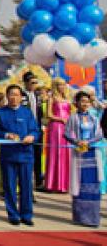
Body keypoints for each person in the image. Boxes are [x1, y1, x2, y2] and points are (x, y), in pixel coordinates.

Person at [0, 84, 41, 226]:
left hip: (26, 154)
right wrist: (6, 135)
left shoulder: (27, 113)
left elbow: (35, 130)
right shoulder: (0, 113)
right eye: (11, 94)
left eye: (16, 95)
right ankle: (13, 214)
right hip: (8, 155)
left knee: (26, 186)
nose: (14, 97)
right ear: (7, 96)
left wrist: (32, 136)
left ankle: (26, 214)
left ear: (21, 97)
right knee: (10, 187)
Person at [65, 90, 103, 227]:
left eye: (87, 101)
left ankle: (93, 218)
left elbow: (99, 134)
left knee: (93, 185)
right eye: (82, 101)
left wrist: (89, 142)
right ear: (77, 103)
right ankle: (80, 217)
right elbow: (66, 133)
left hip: (92, 153)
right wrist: (77, 141)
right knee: (79, 184)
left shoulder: (94, 118)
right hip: (79, 154)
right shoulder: (73, 118)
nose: (85, 104)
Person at [45, 78, 72, 193]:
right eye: (60, 85)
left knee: (66, 153)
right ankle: (53, 183)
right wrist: (61, 119)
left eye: (63, 84)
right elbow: (48, 114)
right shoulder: (51, 98)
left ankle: (65, 184)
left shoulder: (67, 98)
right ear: (55, 86)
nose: (62, 87)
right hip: (56, 127)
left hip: (67, 127)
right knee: (56, 153)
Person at [23, 74, 44, 189]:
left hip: (37, 129)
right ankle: (27, 181)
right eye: (32, 83)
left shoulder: (37, 95)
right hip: (27, 130)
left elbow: (40, 112)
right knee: (27, 156)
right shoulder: (22, 95)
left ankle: (39, 181)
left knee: (38, 155)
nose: (35, 85)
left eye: (36, 83)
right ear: (26, 83)